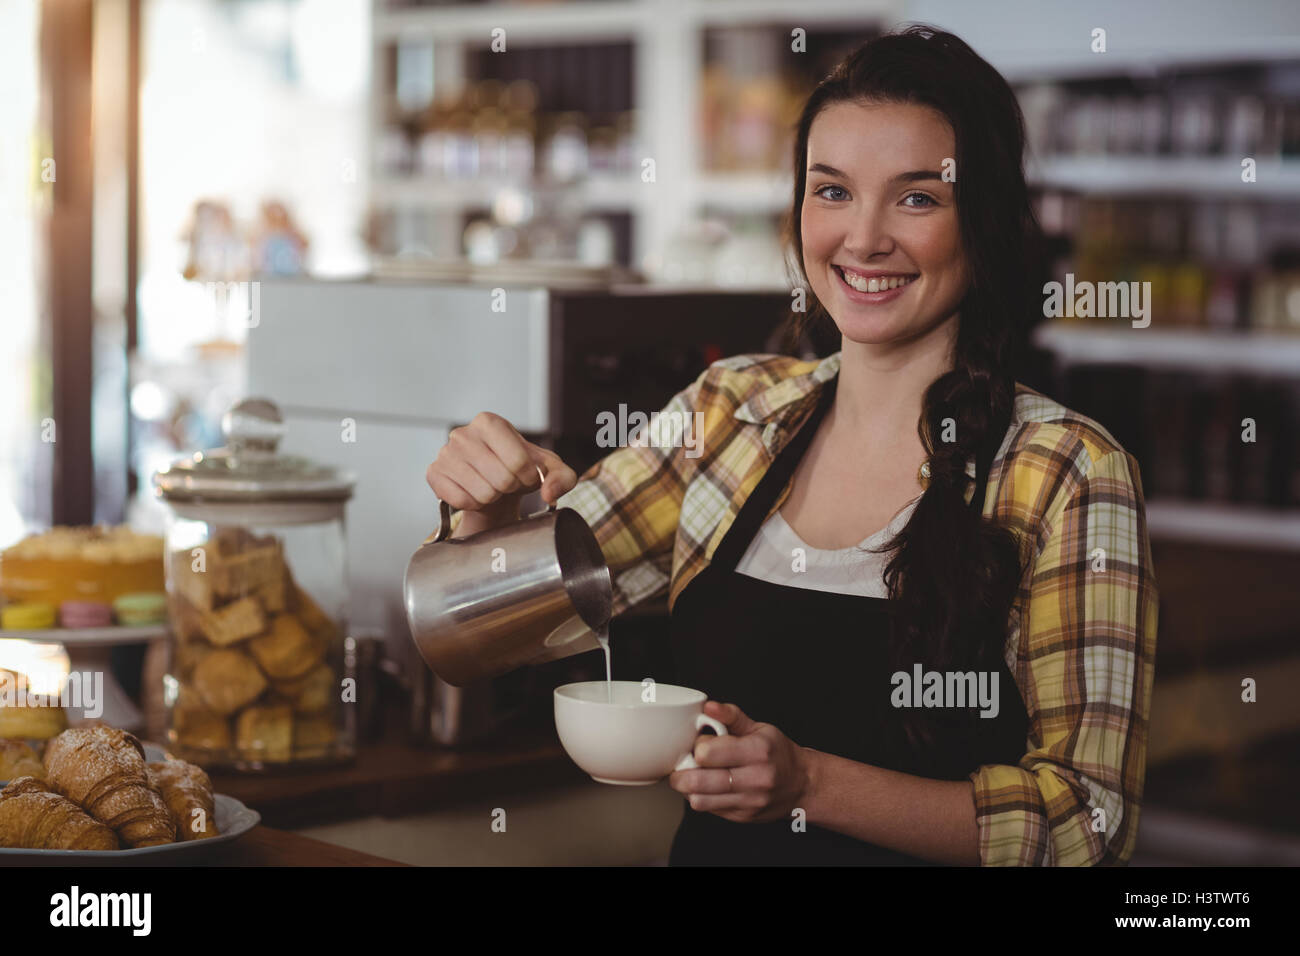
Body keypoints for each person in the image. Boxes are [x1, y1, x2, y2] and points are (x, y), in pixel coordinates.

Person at [425, 26, 1158, 866]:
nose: (864, 239)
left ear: (984, 225)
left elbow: (1089, 821)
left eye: (918, 198)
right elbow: (478, 643)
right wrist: (483, 517)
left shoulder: (1064, 471)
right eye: (832, 191)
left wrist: (809, 783)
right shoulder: (729, 414)